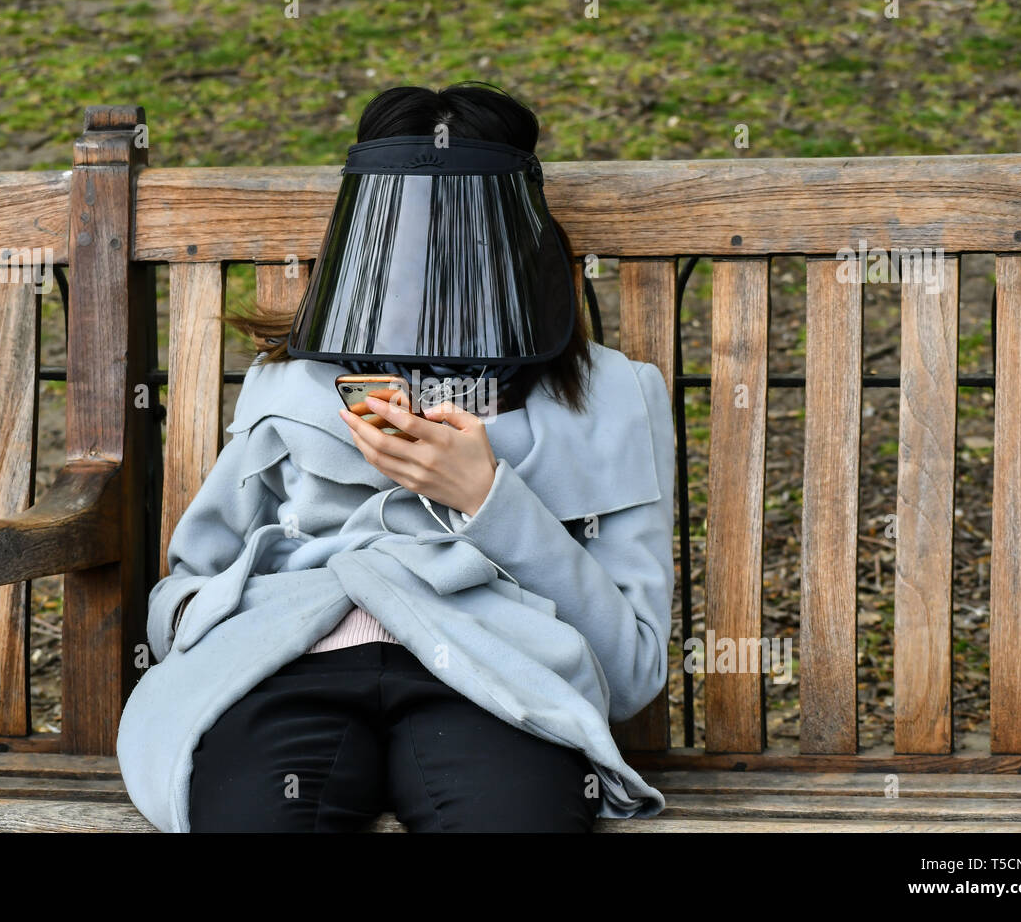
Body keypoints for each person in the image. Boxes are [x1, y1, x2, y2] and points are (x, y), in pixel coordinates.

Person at [115, 81, 676, 832]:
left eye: (463, 238)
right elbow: (185, 592)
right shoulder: (292, 385)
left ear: (527, 249)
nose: (430, 270)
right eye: (403, 239)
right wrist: (256, 609)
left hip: (494, 675)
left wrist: (489, 502)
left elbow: (631, 669)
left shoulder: (615, 400)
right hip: (287, 667)